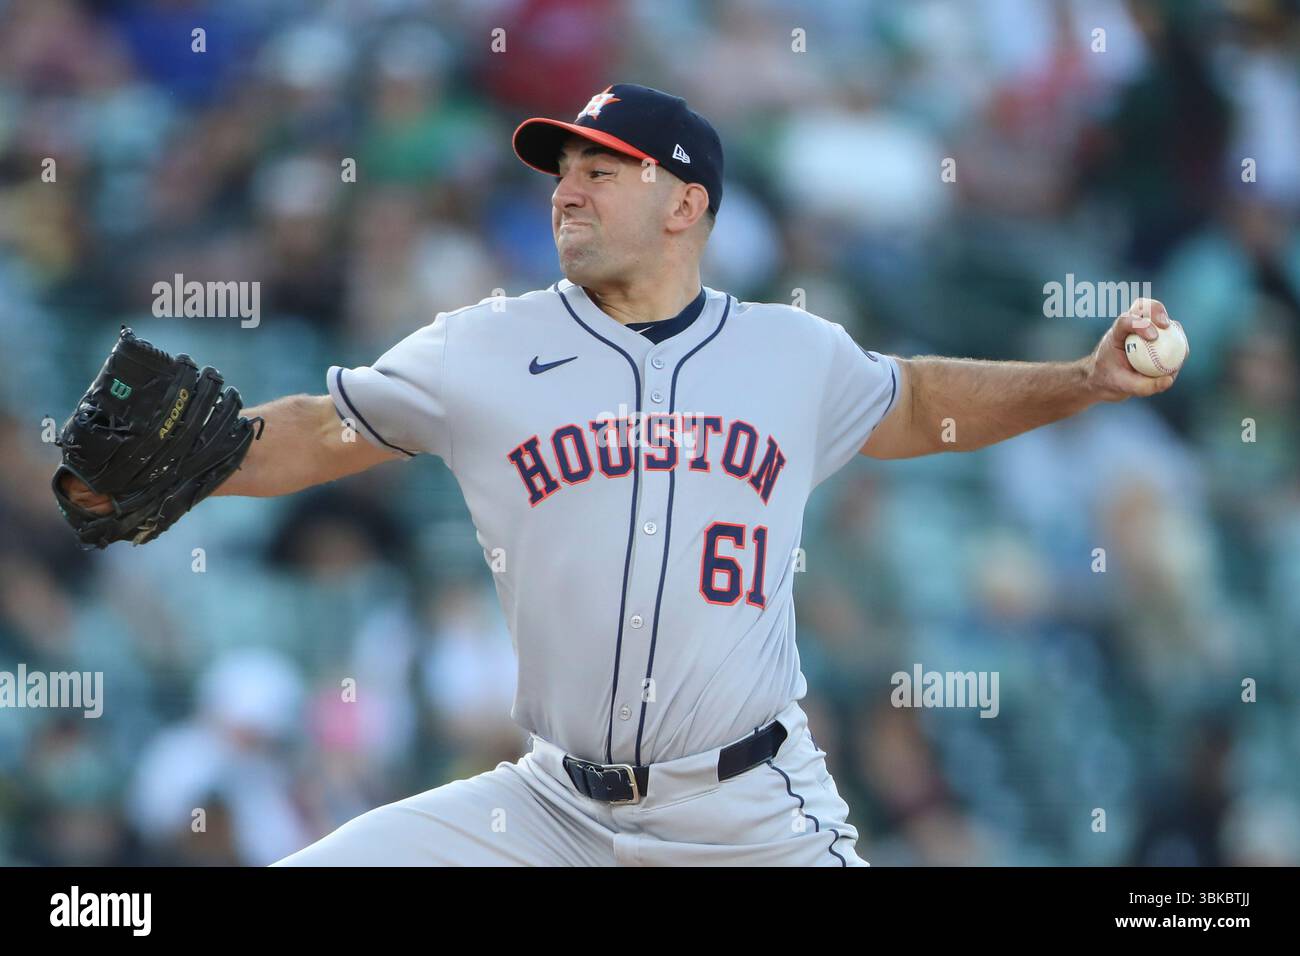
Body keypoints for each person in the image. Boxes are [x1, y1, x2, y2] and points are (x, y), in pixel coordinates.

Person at [62, 84, 1184, 866]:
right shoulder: (482, 344)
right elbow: (319, 429)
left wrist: (1080, 378)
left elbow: (925, 400)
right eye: (563, 171)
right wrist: (190, 471)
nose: (568, 190)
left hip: (747, 808)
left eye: (603, 170)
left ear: (685, 203)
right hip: (550, 802)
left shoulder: (794, 353)